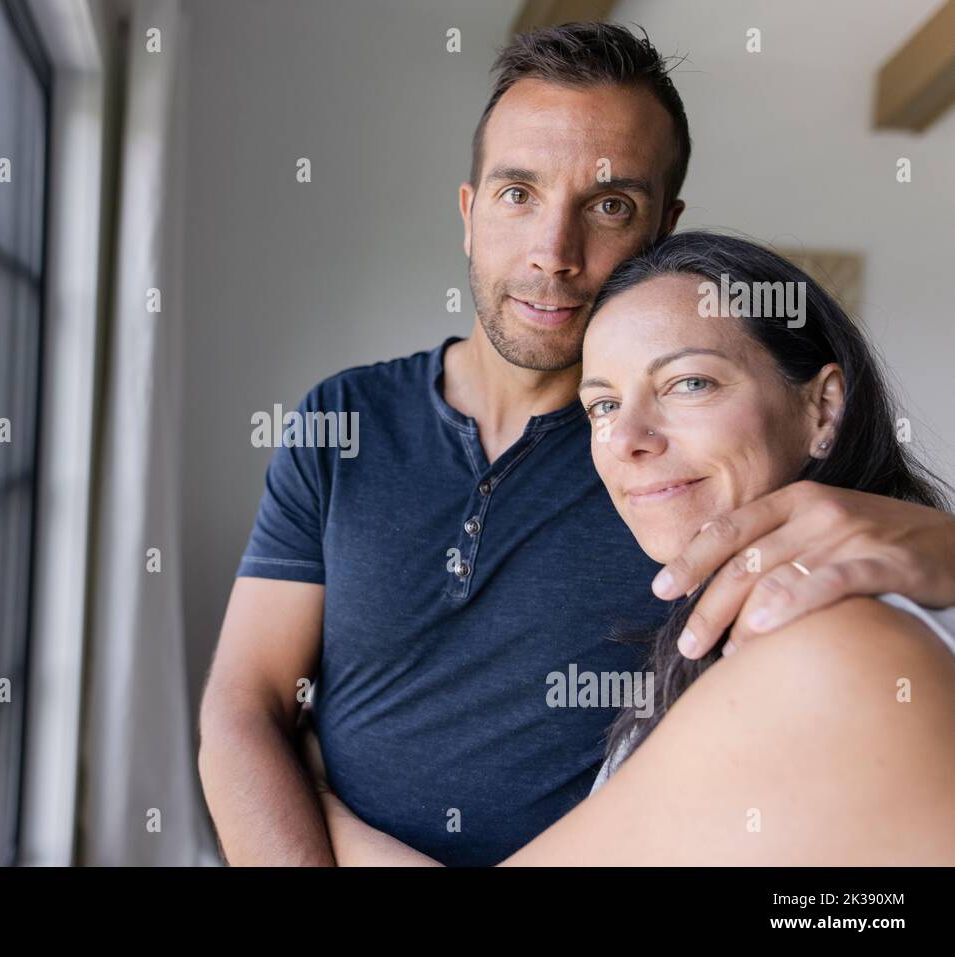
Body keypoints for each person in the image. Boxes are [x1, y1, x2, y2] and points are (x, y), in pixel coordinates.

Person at [197, 23, 955, 867]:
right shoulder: (342, 419)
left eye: (608, 205)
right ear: (470, 211)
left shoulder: (687, 489)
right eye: (518, 193)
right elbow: (242, 704)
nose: (553, 254)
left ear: (662, 229)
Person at [309, 231, 955, 865]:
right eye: (604, 404)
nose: (627, 439)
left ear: (824, 407)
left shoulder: (827, 651)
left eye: (689, 383)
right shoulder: (749, 633)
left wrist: (319, 805)